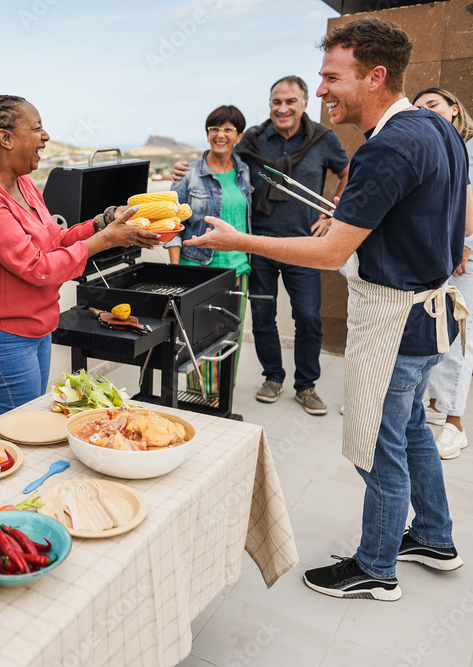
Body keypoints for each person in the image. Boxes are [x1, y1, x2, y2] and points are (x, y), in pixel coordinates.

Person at [186, 18, 473, 600]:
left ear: (375, 76)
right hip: (429, 316)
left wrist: (239, 241)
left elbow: (331, 250)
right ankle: (436, 537)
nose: (321, 91)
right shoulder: (439, 129)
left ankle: (376, 568)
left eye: (330, 77)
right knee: (414, 427)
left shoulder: (386, 147)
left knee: (378, 443)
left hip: (395, 321)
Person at [0, 94, 161, 416]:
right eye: (37, 128)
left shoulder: (25, 185)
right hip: (3, 334)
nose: (45, 137)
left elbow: (55, 239)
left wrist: (103, 221)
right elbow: (37, 267)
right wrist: (105, 241)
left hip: (39, 325)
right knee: (24, 425)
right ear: (5, 138)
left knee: (34, 418)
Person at [174, 77, 349, 415]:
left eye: (290, 102)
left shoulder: (323, 139)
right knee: (263, 316)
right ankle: (273, 377)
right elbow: (217, 160)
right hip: (258, 247)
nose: (282, 108)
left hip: (305, 245)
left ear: (304, 104)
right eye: (276, 102)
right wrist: (184, 168)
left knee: (309, 317)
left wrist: (332, 213)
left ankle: (306, 385)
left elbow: (347, 172)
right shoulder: (252, 139)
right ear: (270, 104)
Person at [165, 105, 253, 400]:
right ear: (207, 134)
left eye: (228, 129)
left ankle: (224, 395)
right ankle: (202, 399)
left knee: (230, 337)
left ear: (238, 136)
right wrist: (176, 271)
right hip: (199, 271)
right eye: (215, 128)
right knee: (197, 341)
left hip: (238, 270)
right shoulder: (188, 175)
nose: (220, 135)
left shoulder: (244, 172)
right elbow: (171, 224)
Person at [415, 88, 473, 458]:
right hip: (437, 257)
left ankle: (456, 423)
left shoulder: (469, 148)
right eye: (419, 109)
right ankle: (436, 407)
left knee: (459, 339)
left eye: (433, 105)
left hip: (461, 258)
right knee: (437, 336)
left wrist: (465, 246)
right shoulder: (433, 151)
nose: (427, 113)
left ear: (454, 108)